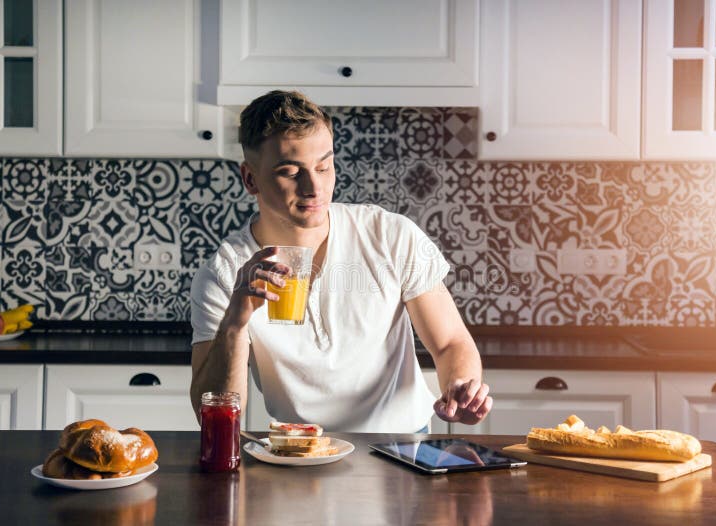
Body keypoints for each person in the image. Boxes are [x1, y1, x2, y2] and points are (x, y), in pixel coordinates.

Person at [189, 90, 492, 432]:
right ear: (250, 179)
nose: (314, 187)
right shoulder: (225, 273)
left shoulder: (390, 235)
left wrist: (461, 388)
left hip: (402, 444)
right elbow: (212, 418)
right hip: (301, 450)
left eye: (324, 166)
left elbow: (450, 342)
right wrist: (234, 324)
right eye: (291, 172)